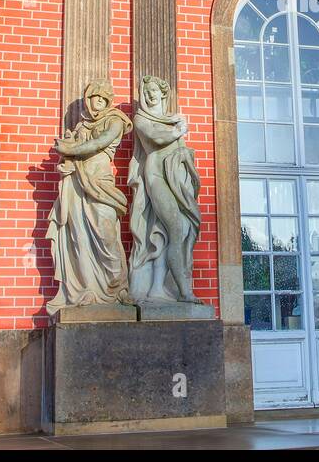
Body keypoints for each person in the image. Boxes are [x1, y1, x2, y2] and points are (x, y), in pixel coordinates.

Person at [45, 81, 135, 314]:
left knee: (105, 232)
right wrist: (68, 152)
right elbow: (74, 147)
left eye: (103, 99)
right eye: (94, 98)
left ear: (108, 102)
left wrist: (69, 149)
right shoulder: (82, 125)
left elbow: (99, 143)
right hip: (77, 183)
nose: (98, 102)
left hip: (100, 182)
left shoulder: (115, 121)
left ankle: (116, 287)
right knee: (78, 236)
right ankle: (86, 289)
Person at [129, 75, 203, 304]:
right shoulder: (141, 119)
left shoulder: (173, 118)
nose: (150, 94)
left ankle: (157, 288)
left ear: (163, 93)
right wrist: (179, 129)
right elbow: (156, 138)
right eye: (147, 91)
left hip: (176, 178)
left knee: (164, 232)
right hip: (156, 174)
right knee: (176, 228)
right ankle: (184, 291)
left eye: (154, 90)